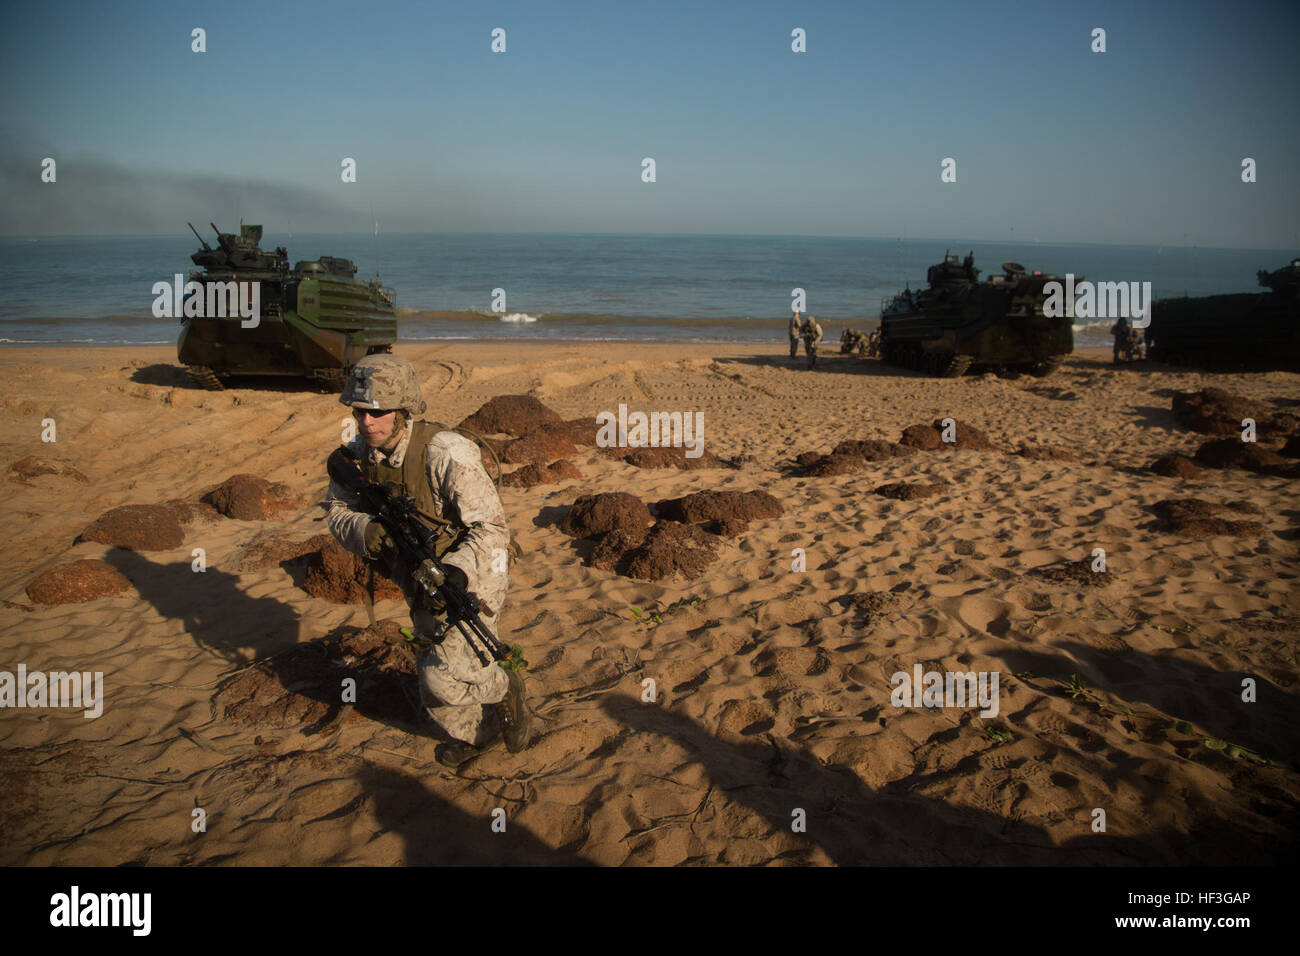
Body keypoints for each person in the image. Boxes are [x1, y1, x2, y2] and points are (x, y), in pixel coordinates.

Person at [325, 353, 529, 768]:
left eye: (379, 412)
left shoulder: (446, 452)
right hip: (417, 572)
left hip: (476, 567)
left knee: (446, 674)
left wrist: (458, 571)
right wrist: (369, 533)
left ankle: (503, 686)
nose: (368, 423)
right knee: (430, 672)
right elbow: (337, 513)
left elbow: (491, 529)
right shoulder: (356, 457)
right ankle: (478, 736)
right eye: (361, 411)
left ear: (404, 410)